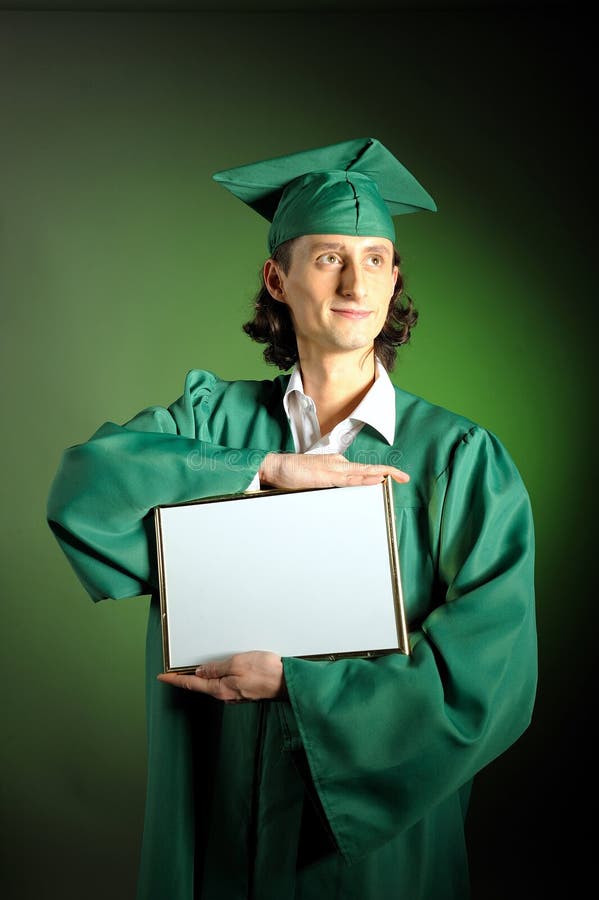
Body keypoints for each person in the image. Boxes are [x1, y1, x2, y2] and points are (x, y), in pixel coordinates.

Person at [47, 137, 537, 900]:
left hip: (369, 852)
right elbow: (86, 490)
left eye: (376, 257)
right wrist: (262, 469)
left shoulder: (459, 459)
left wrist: (296, 689)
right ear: (276, 277)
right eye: (327, 257)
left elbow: (487, 679)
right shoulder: (212, 424)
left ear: (394, 277)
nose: (354, 280)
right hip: (219, 806)